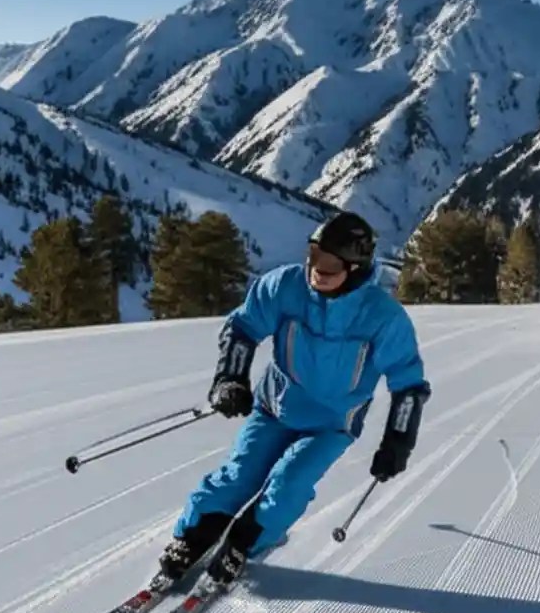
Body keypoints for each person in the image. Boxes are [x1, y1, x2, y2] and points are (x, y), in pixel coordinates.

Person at [157, 211, 431, 588]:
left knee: (289, 485)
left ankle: (245, 542)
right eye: (315, 255)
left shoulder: (383, 317)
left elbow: (409, 384)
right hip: (275, 408)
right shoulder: (285, 286)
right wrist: (230, 378)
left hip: (331, 425)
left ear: (355, 267)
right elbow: (242, 327)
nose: (318, 269)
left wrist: (398, 441)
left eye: (331, 263)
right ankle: (192, 537)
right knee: (238, 475)